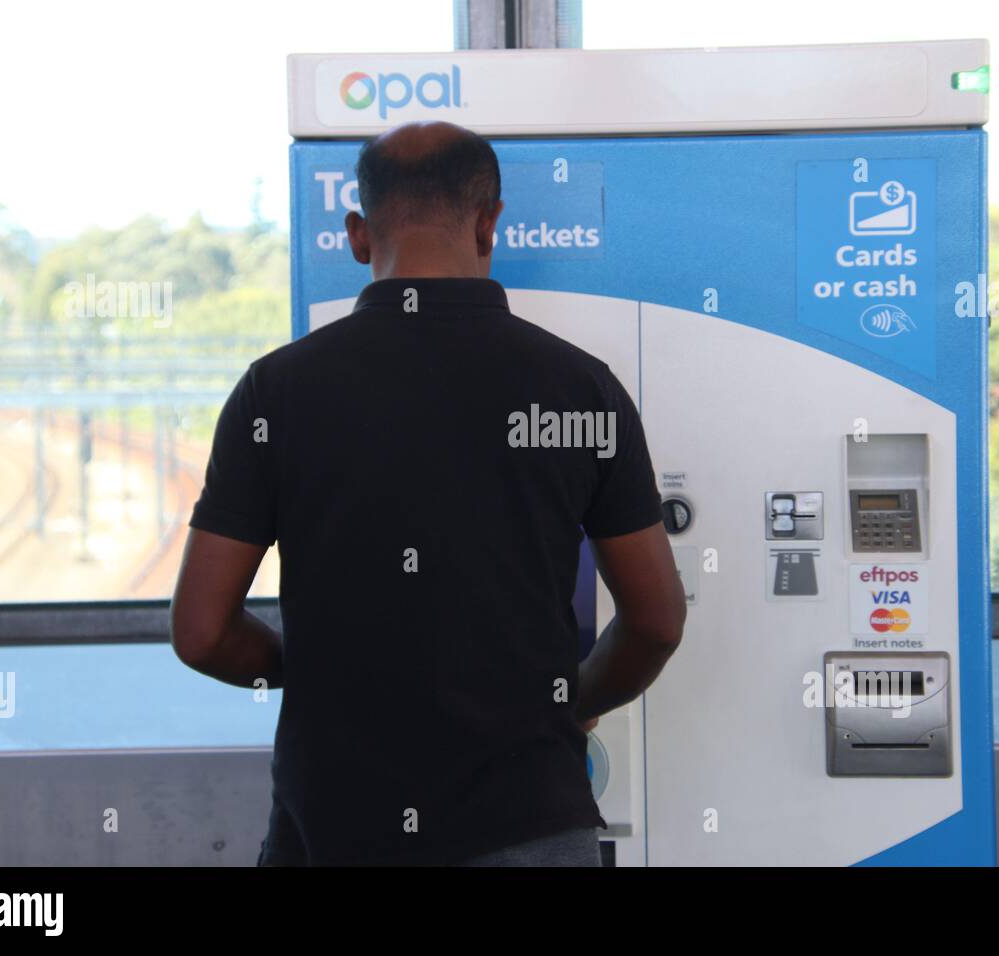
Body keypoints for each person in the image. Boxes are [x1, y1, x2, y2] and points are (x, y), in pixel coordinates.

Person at [169, 120, 685, 866]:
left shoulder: (275, 393)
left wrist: (307, 668)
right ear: (488, 225)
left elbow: (202, 631)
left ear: (355, 232)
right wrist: (571, 702)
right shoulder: (578, 388)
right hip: (530, 819)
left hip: (336, 823)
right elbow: (657, 622)